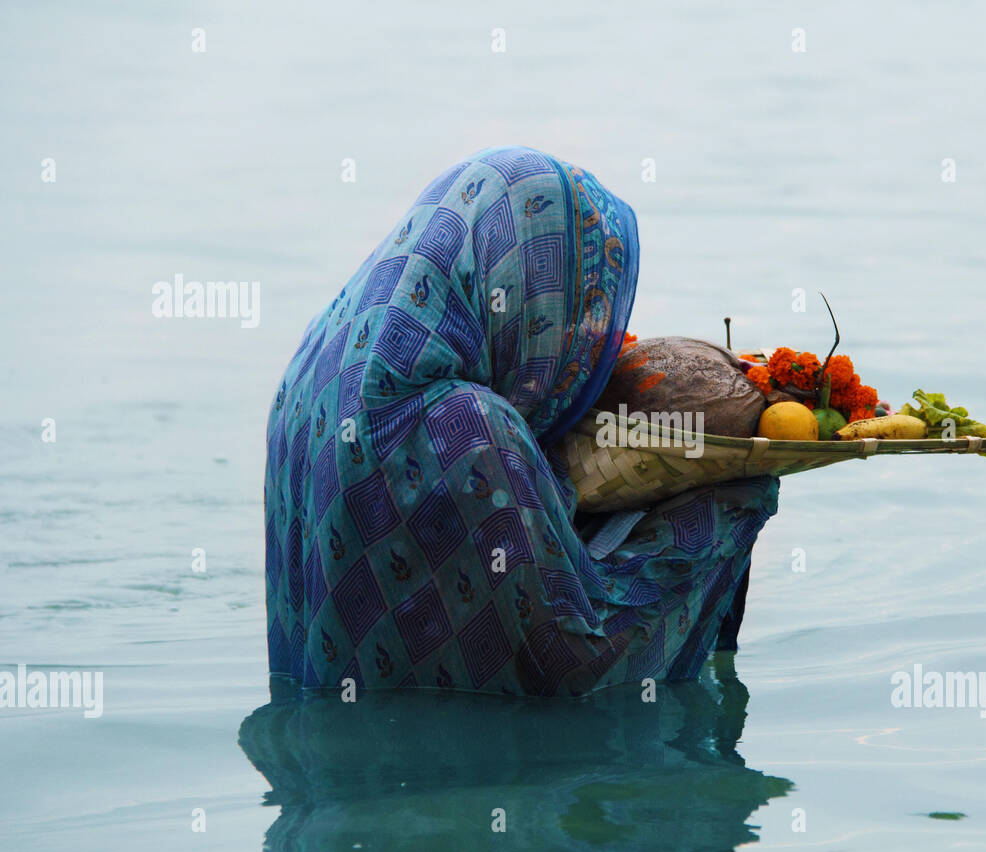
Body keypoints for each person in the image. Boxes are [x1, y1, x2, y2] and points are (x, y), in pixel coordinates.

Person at [263, 146, 778, 697]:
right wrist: (720, 512)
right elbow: (575, 661)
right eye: (582, 318)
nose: (583, 349)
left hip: (324, 754)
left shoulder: (316, 373)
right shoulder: (471, 429)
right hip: (459, 773)